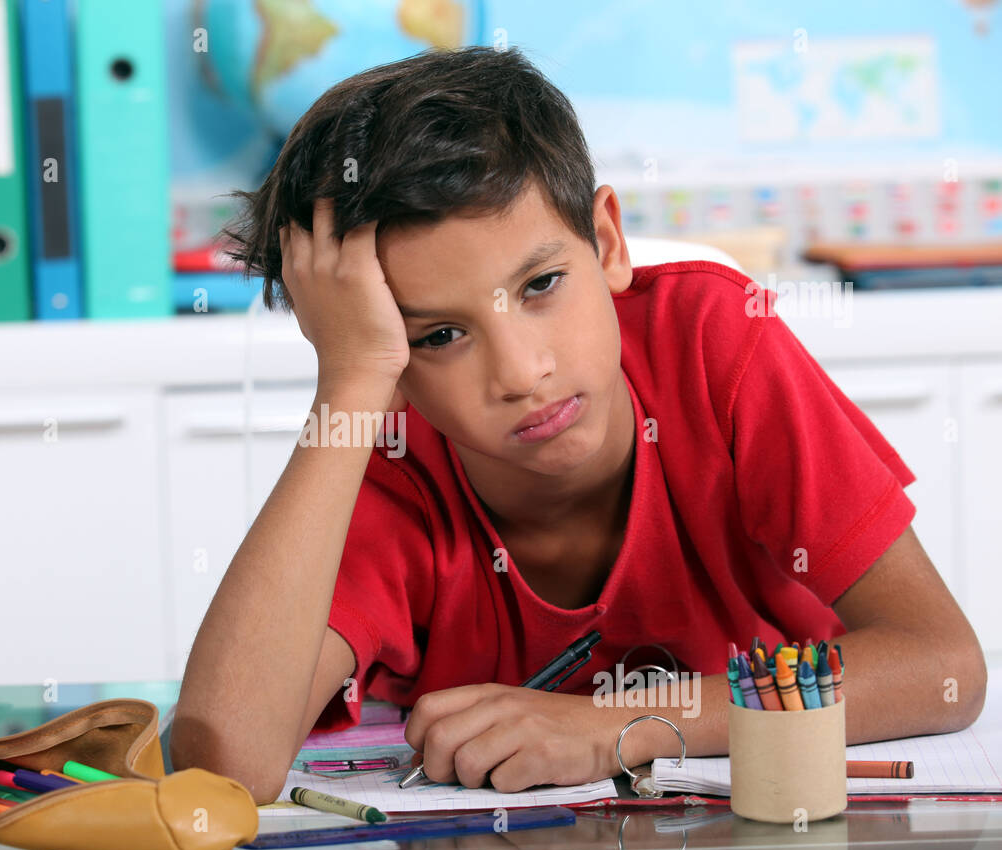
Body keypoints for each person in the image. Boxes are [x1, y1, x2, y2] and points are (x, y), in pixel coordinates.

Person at [170, 46, 985, 806]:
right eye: (439, 337)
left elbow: (941, 664)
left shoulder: (710, 342)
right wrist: (347, 387)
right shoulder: (384, 455)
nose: (523, 374)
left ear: (605, 242)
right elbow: (221, 768)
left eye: (543, 284)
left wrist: (615, 729)